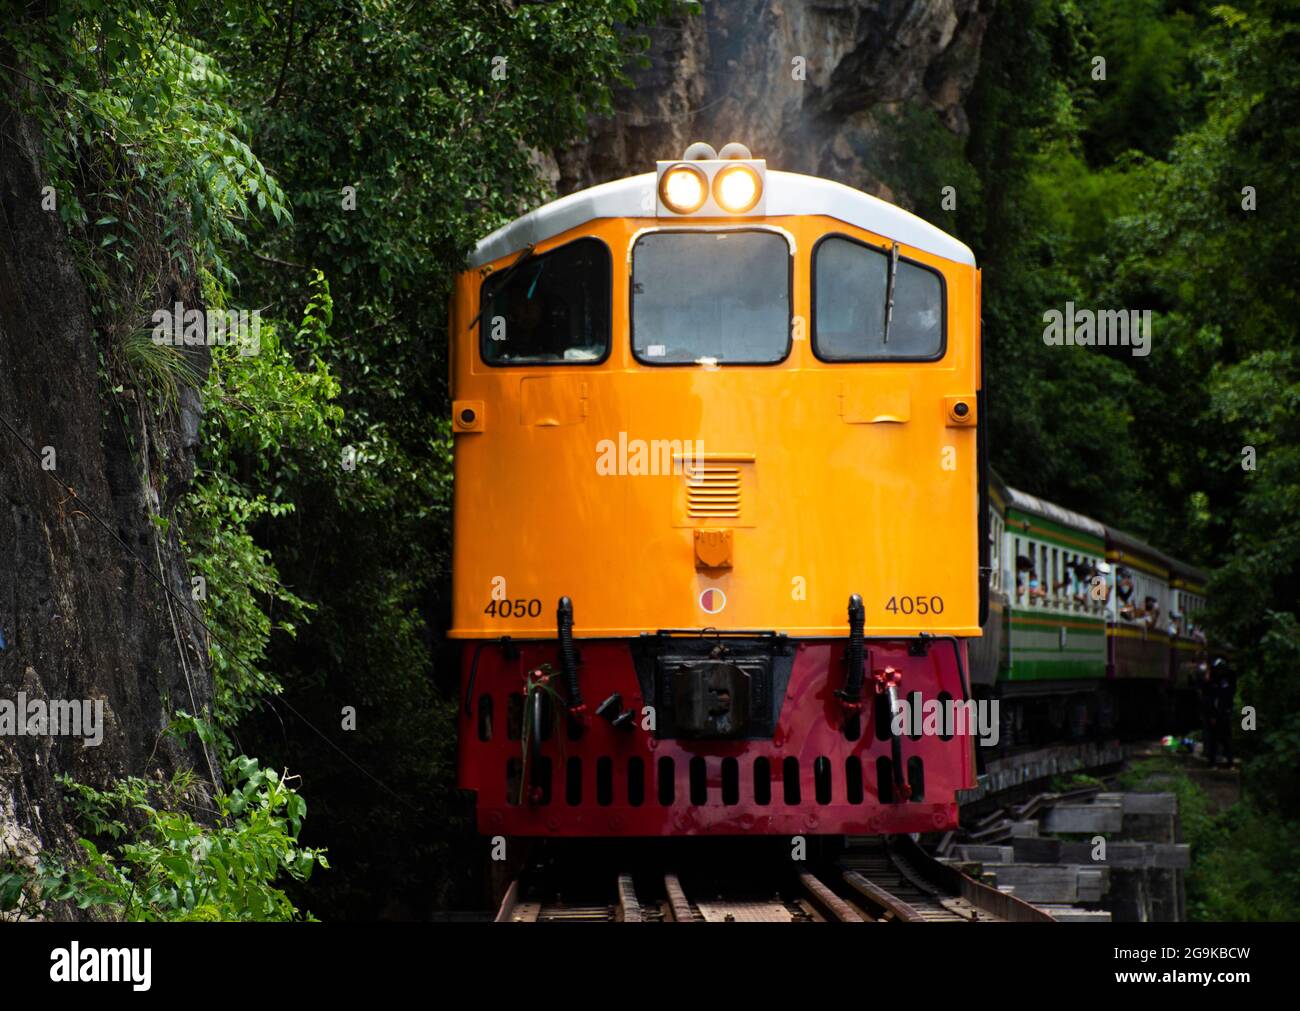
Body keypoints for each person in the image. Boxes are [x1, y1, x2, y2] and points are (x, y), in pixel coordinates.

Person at [1199, 654, 1236, 767]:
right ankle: (1220, 761)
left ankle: (1222, 761)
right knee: (1219, 739)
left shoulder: (1222, 684)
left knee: (1220, 739)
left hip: (1221, 713)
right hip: (1219, 713)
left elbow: (1221, 698)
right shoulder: (1216, 684)